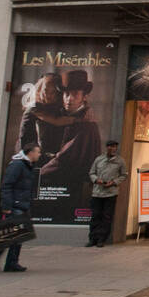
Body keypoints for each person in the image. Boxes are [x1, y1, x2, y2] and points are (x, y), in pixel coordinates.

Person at [38, 70, 103, 216]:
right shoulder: (62, 115)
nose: (69, 99)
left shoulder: (86, 123)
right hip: (56, 184)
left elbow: (65, 158)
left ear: (84, 97)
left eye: (75, 94)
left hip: (69, 185)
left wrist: (39, 174)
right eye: (66, 94)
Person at [0, 145, 39, 273]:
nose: (39, 154)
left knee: (18, 236)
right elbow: (7, 185)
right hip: (16, 204)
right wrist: (6, 206)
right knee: (11, 234)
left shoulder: (27, 166)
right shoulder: (17, 165)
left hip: (23, 204)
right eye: (38, 152)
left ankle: (11, 262)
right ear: (30, 152)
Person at [87, 139, 127, 248]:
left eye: (114, 147)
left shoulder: (120, 161)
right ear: (107, 148)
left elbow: (124, 175)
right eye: (111, 147)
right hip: (97, 193)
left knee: (107, 217)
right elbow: (91, 172)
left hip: (111, 193)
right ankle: (92, 238)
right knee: (95, 216)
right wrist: (96, 180)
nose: (113, 149)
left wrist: (114, 182)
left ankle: (101, 239)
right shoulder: (99, 159)